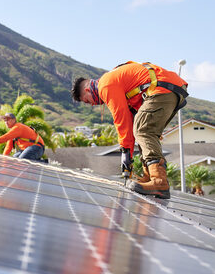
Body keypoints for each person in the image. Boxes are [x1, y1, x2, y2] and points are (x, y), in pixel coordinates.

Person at [71, 61, 188, 199]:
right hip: (169, 87)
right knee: (143, 131)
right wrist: (128, 152)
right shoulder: (113, 79)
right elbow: (131, 121)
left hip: (161, 88)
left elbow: (122, 120)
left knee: (143, 130)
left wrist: (125, 153)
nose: (92, 104)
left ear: (87, 90)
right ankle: (149, 177)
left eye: (87, 101)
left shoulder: (105, 85)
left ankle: (159, 181)